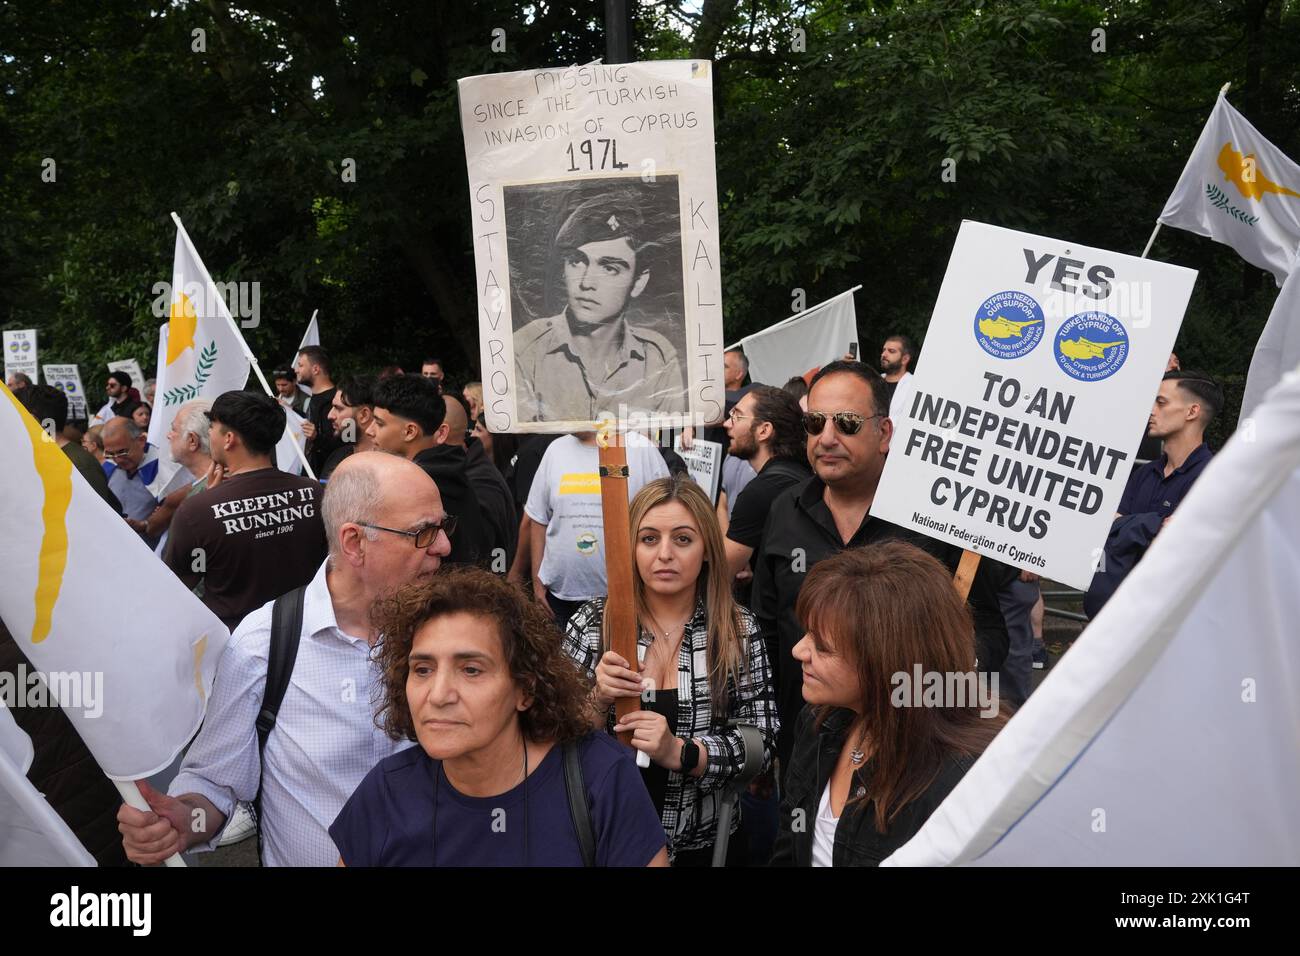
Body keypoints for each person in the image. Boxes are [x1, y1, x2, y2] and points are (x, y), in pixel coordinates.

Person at [117, 452, 451, 866]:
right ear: (354, 542)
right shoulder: (266, 644)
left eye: (442, 526)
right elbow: (215, 782)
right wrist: (182, 823)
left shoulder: (454, 629)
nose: (443, 545)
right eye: (422, 532)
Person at [752, 360, 1011, 770]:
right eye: (815, 423)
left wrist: (951, 677)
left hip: (910, 751)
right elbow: (766, 629)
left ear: (885, 433)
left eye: (848, 423)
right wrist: (767, 742)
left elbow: (988, 632)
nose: (827, 438)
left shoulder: (933, 515)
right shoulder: (785, 509)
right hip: (806, 752)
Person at [329, 566, 668, 867]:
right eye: (422, 669)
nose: (438, 694)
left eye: (471, 670)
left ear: (525, 689)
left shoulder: (600, 779)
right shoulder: (387, 792)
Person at [563, 475, 777, 865]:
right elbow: (550, 740)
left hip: (706, 848)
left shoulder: (737, 630)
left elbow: (761, 745)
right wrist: (598, 699)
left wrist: (682, 752)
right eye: (648, 539)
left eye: (682, 539)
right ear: (630, 548)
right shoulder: (593, 625)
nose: (664, 554)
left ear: (708, 549)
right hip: (604, 843)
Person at [771, 543, 1008, 866]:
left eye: (823, 647)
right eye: (807, 634)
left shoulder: (963, 779)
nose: (799, 650)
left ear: (886, 662)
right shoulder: (818, 721)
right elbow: (789, 848)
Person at [514, 194, 686, 422]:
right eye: (577, 261)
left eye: (609, 268)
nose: (586, 283)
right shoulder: (525, 351)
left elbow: (667, 446)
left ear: (638, 282)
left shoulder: (657, 360)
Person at [164, 391, 327, 631]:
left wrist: (211, 503)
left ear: (229, 439)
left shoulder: (197, 512)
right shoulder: (314, 492)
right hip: (306, 633)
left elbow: (175, 587)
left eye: (212, 427)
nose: (208, 433)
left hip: (237, 646)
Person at [1084, 370, 1221, 617]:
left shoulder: (1213, 478)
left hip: (1162, 627)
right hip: (1111, 620)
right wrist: (1155, 524)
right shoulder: (1145, 473)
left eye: (1161, 402)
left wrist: (1126, 526)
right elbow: (1104, 529)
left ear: (1192, 412)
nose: (1151, 411)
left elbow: (1179, 548)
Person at [524, 429, 669, 630]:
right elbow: (538, 519)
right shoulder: (555, 451)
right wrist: (538, 584)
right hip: (559, 601)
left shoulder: (641, 450)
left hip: (624, 600)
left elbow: (666, 516)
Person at [368, 373, 489, 564]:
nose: (370, 430)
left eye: (379, 423)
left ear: (410, 431)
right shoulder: (455, 472)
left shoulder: (412, 489)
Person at [722, 386, 810, 598]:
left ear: (764, 430)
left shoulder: (760, 492)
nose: (726, 424)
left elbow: (720, 573)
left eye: (737, 416)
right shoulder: (804, 474)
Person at [18, 384, 121, 513]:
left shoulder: (80, 466)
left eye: (16, 417)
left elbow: (94, 520)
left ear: (33, 420)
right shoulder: (40, 458)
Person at [446, 394, 517, 568]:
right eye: (474, 428)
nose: (472, 435)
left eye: (479, 430)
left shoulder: (484, 484)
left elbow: (493, 554)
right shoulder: (470, 470)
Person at [143, 399, 215, 551]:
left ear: (192, 441)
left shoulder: (204, 498)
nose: (169, 436)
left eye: (174, 429)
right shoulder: (202, 487)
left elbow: (196, 564)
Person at [101, 416, 162, 547]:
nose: (118, 460)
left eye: (122, 452)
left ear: (141, 441)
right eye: (111, 454)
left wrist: (144, 525)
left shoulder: (163, 467)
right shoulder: (108, 468)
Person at [320, 375, 378, 480]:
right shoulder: (336, 457)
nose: (330, 415)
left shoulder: (387, 467)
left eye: (338, 408)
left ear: (364, 415)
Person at [295, 345, 341, 475]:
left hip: (327, 479)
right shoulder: (314, 399)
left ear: (315, 369)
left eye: (301, 365)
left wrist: (316, 437)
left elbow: (345, 443)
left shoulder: (336, 401)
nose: (297, 370)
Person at [880, 333, 917, 423]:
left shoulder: (913, 386)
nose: (884, 354)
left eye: (891, 351)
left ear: (905, 359)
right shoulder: (873, 381)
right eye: (884, 350)